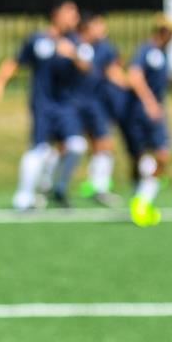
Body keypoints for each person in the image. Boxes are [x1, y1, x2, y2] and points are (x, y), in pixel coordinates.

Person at [0, 0, 82, 210]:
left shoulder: (75, 41)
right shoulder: (37, 39)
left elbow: (89, 68)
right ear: (56, 14)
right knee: (37, 149)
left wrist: (73, 55)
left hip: (66, 106)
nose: (75, 18)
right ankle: (23, 197)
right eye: (70, 13)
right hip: (42, 104)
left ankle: (58, 187)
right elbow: (15, 62)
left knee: (76, 146)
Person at [119, 15, 172, 227]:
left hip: (152, 112)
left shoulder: (163, 53)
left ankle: (142, 200)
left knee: (159, 156)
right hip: (141, 112)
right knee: (149, 155)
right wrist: (149, 101)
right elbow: (134, 75)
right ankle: (141, 201)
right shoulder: (147, 50)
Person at [73, 11, 125, 207]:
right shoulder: (72, 43)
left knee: (103, 143)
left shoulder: (105, 48)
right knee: (66, 145)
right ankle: (49, 187)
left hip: (95, 104)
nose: (103, 29)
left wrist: (131, 86)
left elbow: (114, 71)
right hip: (71, 103)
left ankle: (99, 187)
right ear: (88, 26)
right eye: (99, 24)